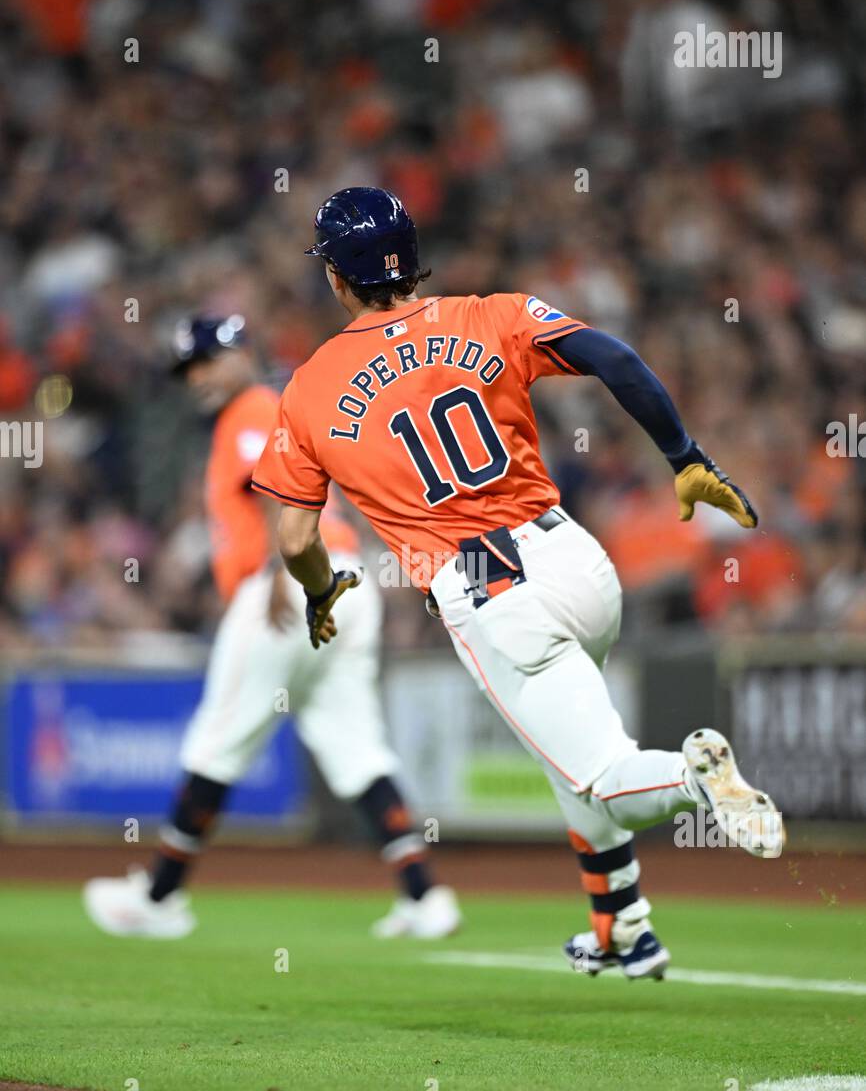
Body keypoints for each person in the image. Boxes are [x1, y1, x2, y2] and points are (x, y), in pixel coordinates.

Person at [250, 187, 784, 981]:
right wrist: (684, 457)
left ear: (335, 278)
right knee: (569, 757)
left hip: (490, 592)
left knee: (604, 776)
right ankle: (621, 927)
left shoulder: (309, 387)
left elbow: (295, 538)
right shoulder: (489, 314)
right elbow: (615, 358)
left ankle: (693, 780)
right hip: (575, 559)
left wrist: (323, 591)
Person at [83, 313, 460, 941]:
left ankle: (159, 896)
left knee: (216, 740)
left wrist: (284, 573)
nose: (198, 376)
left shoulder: (252, 407)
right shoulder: (269, 406)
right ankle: (426, 896)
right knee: (356, 747)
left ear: (243, 352)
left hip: (292, 581)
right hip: (345, 579)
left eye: (208, 360)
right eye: (188, 369)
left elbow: (275, 490)